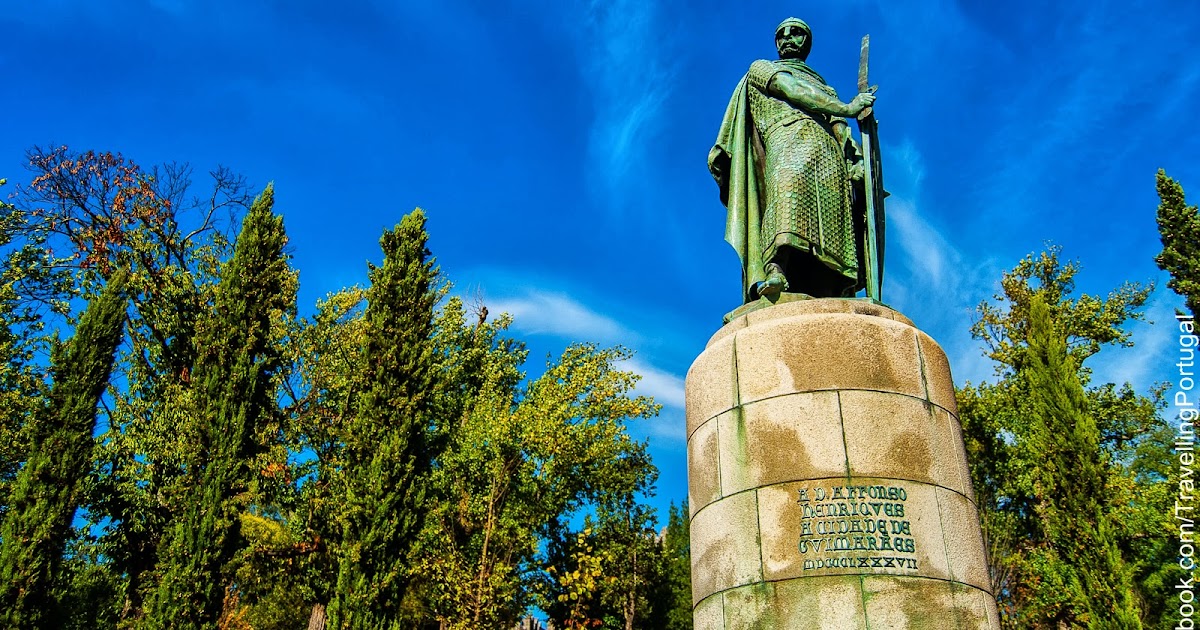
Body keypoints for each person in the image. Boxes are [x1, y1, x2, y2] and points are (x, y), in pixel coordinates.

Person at [709, 17, 876, 302]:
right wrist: (848, 107)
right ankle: (775, 270)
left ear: (807, 42)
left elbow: (841, 132)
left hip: (828, 156)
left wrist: (855, 161)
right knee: (787, 197)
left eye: (796, 33)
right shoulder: (762, 68)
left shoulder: (826, 87)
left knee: (834, 219)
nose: (788, 38)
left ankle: (833, 286)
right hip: (786, 141)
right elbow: (791, 90)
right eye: (782, 35)